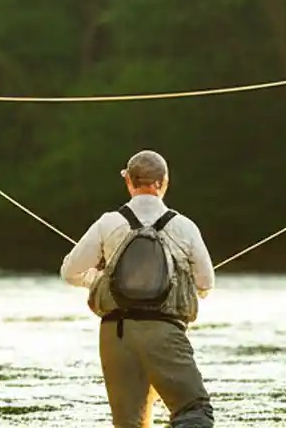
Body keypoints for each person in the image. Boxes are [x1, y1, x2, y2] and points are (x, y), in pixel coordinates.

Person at [60, 150, 215, 428]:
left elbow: (69, 272)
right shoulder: (184, 226)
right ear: (164, 182)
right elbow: (205, 284)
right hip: (164, 332)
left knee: (129, 424)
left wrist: (97, 280)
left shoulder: (108, 222)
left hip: (115, 335)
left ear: (129, 182)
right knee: (194, 412)